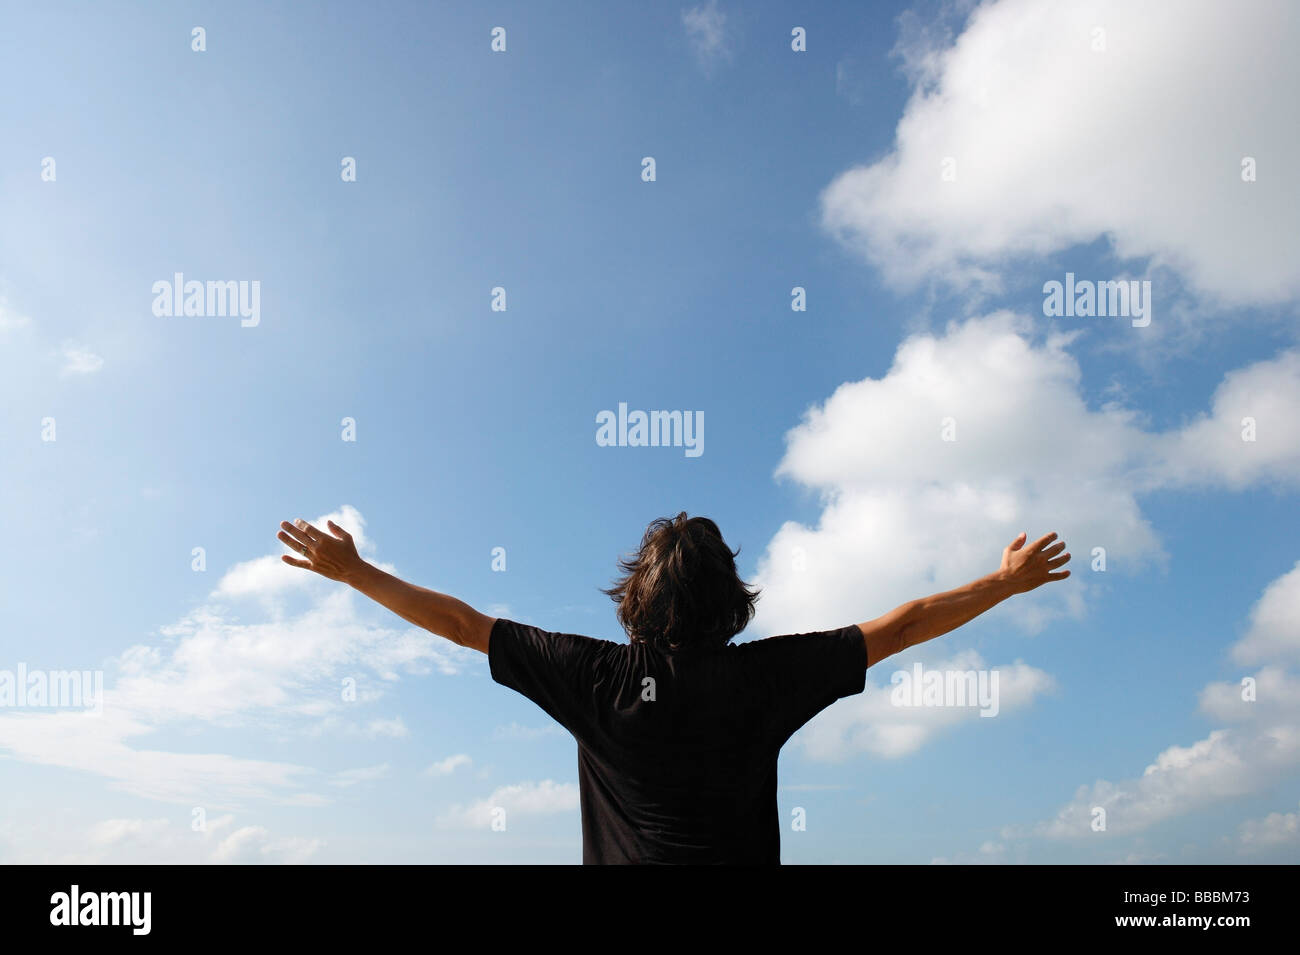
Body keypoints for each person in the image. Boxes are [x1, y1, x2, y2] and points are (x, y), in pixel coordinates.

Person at [277, 512, 1070, 864]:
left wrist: (354, 572)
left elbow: (460, 623)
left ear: (634, 599)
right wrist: (1002, 584)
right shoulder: (769, 675)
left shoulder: (593, 675)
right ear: (733, 602)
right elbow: (901, 626)